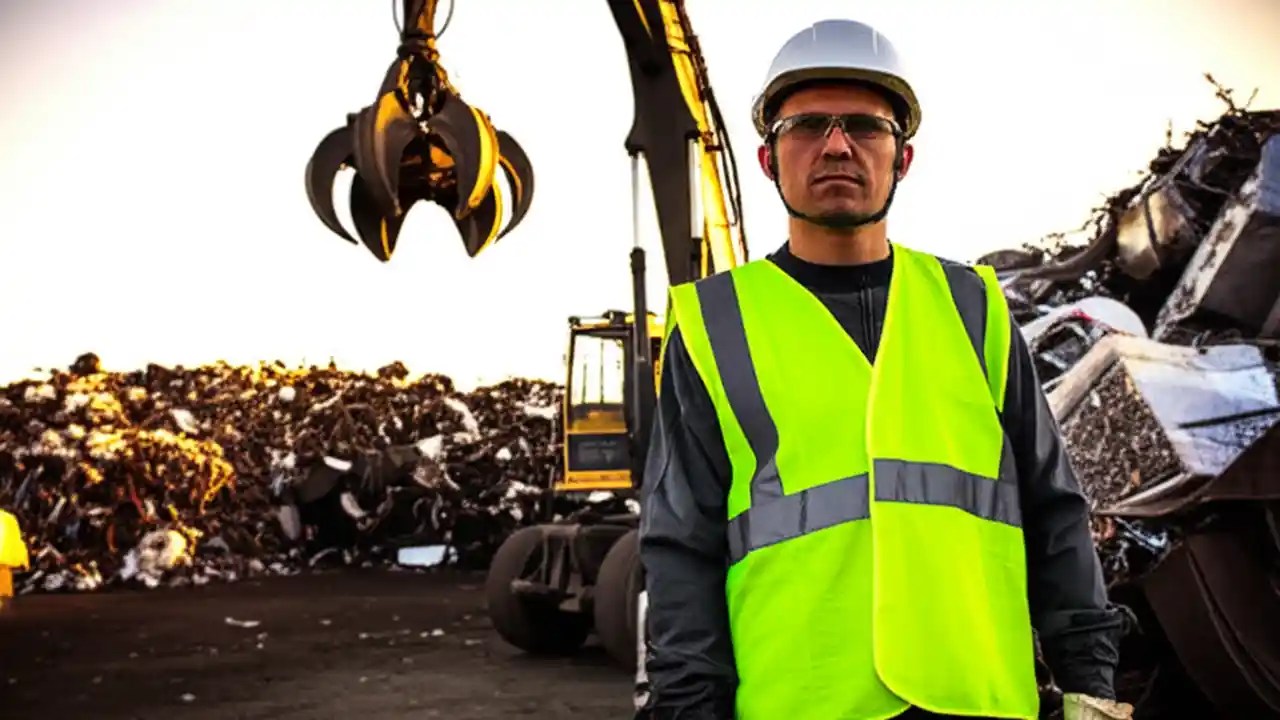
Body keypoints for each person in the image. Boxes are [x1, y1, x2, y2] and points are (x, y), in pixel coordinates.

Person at [634, 18, 1135, 720]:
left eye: (865, 127)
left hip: (977, 701)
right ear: (766, 159)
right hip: (800, 703)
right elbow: (682, 547)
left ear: (902, 158)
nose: (837, 145)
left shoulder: (974, 309)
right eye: (807, 126)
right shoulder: (716, 324)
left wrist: (1090, 682)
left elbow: (1054, 511)